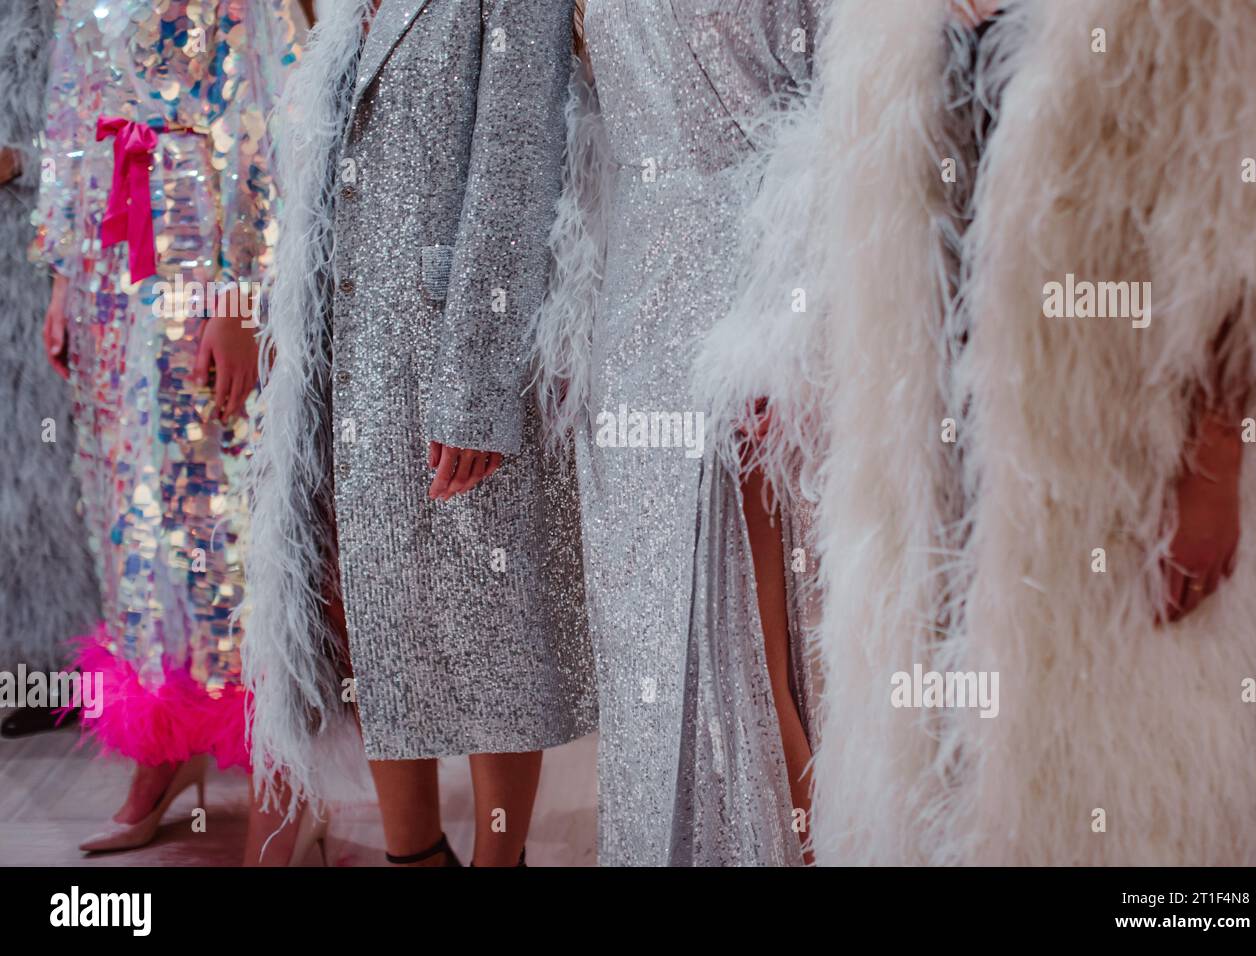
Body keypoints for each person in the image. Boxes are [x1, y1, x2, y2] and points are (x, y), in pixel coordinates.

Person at [762, 0, 1256, 864]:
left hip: (1117, 468)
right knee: (939, 759)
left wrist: (1214, 457)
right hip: (931, 460)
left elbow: (1248, 216)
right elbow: (855, 207)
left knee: (1124, 788)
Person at [244, 0, 597, 867]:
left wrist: (479, 382)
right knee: (385, 615)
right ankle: (414, 855)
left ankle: (498, 860)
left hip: (459, 338)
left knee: (492, 631)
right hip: (357, 342)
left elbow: (517, 161)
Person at [534, 0, 823, 865]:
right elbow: (581, 124)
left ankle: (812, 835)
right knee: (650, 645)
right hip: (629, 309)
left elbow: (841, 118)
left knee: (772, 642)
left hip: (762, 285)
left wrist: (791, 318)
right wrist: (569, 315)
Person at [31, 0, 308, 862]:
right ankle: (160, 753)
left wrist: (242, 295)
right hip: (114, 268)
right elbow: (70, 113)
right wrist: (65, 275)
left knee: (227, 510)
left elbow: (266, 107)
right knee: (130, 516)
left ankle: (283, 773)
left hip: (201, 252)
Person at [0, 0, 100, 739]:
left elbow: (95, 134)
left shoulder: (67, 17)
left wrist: (20, 163)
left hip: (44, 275)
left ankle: (63, 668)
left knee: (46, 476)